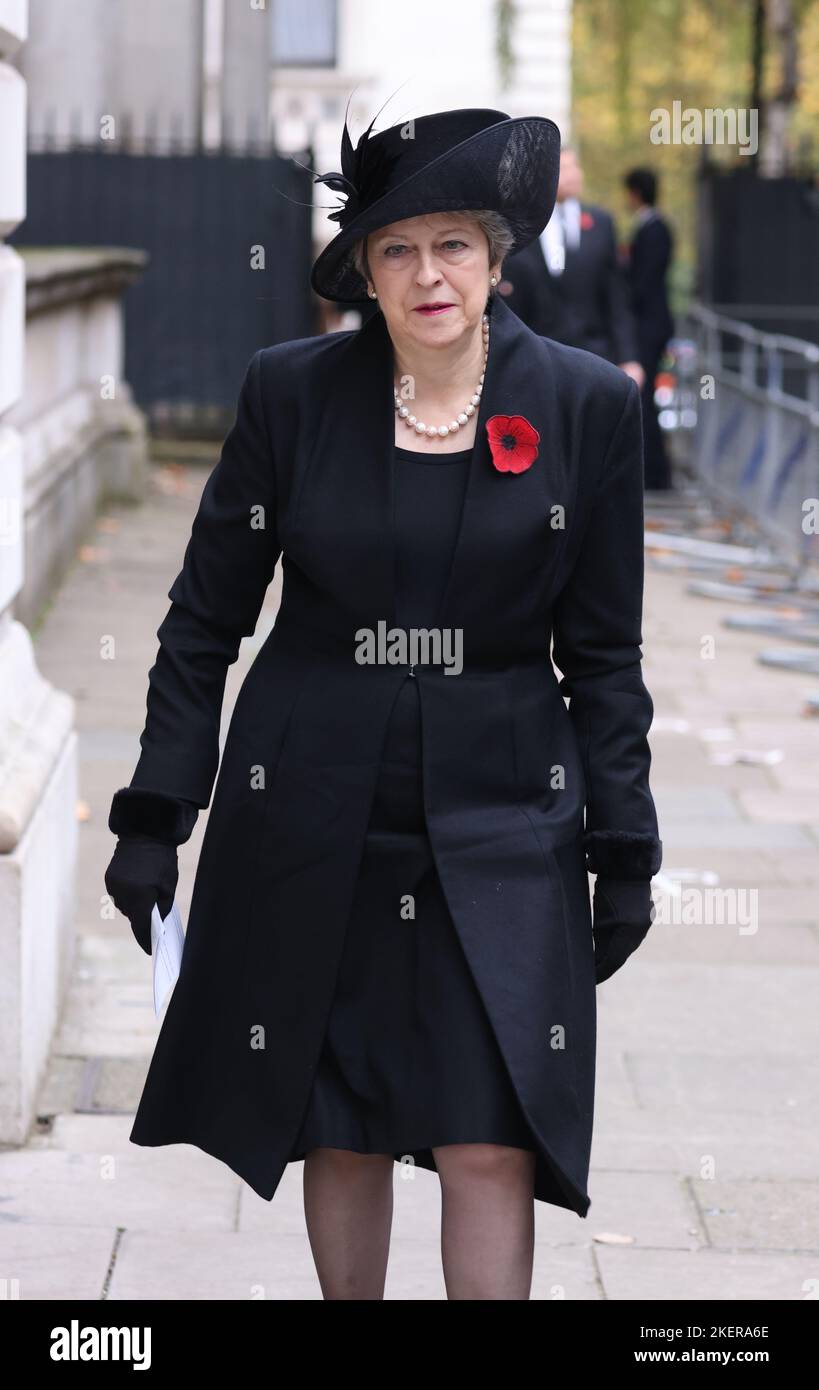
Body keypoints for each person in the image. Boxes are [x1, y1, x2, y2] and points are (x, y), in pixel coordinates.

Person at [104, 106, 661, 1301]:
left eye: (454, 244)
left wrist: (627, 848)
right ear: (365, 269)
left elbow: (605, 657)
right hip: (312, 812)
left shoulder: (584, 410)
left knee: (488, 1128)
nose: (428, 275)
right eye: (397, 249)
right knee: (341, 1120)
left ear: (498, 257)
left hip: (506, 817)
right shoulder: (290, 396)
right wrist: (156, 813)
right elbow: (207, 618)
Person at [501, 146, 644, 389]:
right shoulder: (518, 225)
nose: (573, 174)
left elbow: (616, 295)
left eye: (575, 166)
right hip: (538, 359)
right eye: (563, 168)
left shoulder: (600, 223)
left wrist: (629, 357)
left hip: (595, 355)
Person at [623, 167, 675, 490]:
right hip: (651, 323)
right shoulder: (652, 227)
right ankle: (653, 470)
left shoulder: (654, 229)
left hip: (649, 325)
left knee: (645, 396)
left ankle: (654, 472)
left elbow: (644, 281)